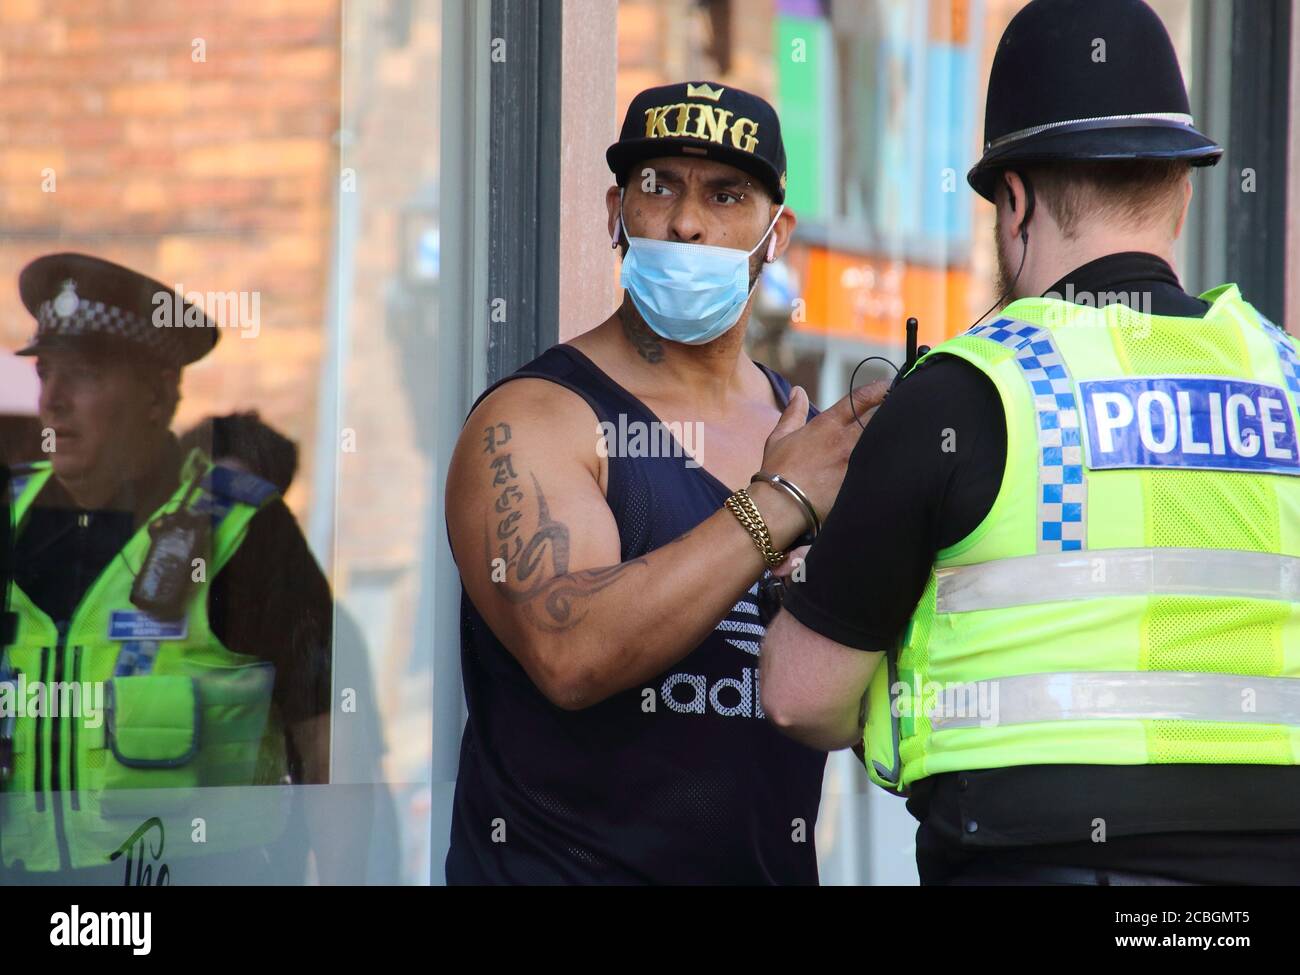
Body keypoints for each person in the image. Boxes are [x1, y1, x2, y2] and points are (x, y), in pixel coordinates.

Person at [761, 0, 1300, 885]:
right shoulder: (1287, 379)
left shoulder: (971, 394)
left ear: (1014, 203)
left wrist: (790, 539)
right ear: (1184, 189)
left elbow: (798, 698)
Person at [444, 81, 885, 884]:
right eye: (658, 187)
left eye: (726, 194)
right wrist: (773, 509)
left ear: (775, 234)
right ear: (617, 210)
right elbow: (570, 651)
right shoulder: (535, 419)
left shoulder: (813, 447)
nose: (687, 221)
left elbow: (865, 719)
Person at [2, 253, 333, 883]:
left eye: (86, 375)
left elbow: (326, 739)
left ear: (157, 395)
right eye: (47, 373)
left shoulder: (242, 530)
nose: (53, 402)